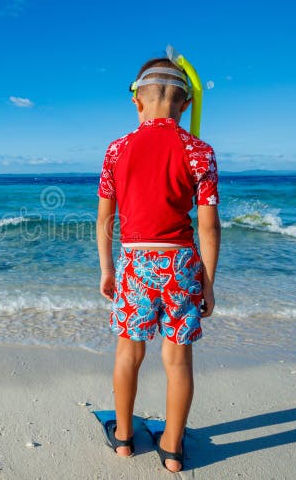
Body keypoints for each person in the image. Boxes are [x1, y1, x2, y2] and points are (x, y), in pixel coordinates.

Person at [95, 55, 221, 472]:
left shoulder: (117, 150)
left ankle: (126, 439)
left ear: (137, 102)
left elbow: (104, 219)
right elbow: (209, 226)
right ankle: (171, 449)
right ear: (185, 105)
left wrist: (108, 269)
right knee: (178, 359)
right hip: (181, 262)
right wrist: (207, 280)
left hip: (135, 261)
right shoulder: (199, 151)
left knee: (128, 354)